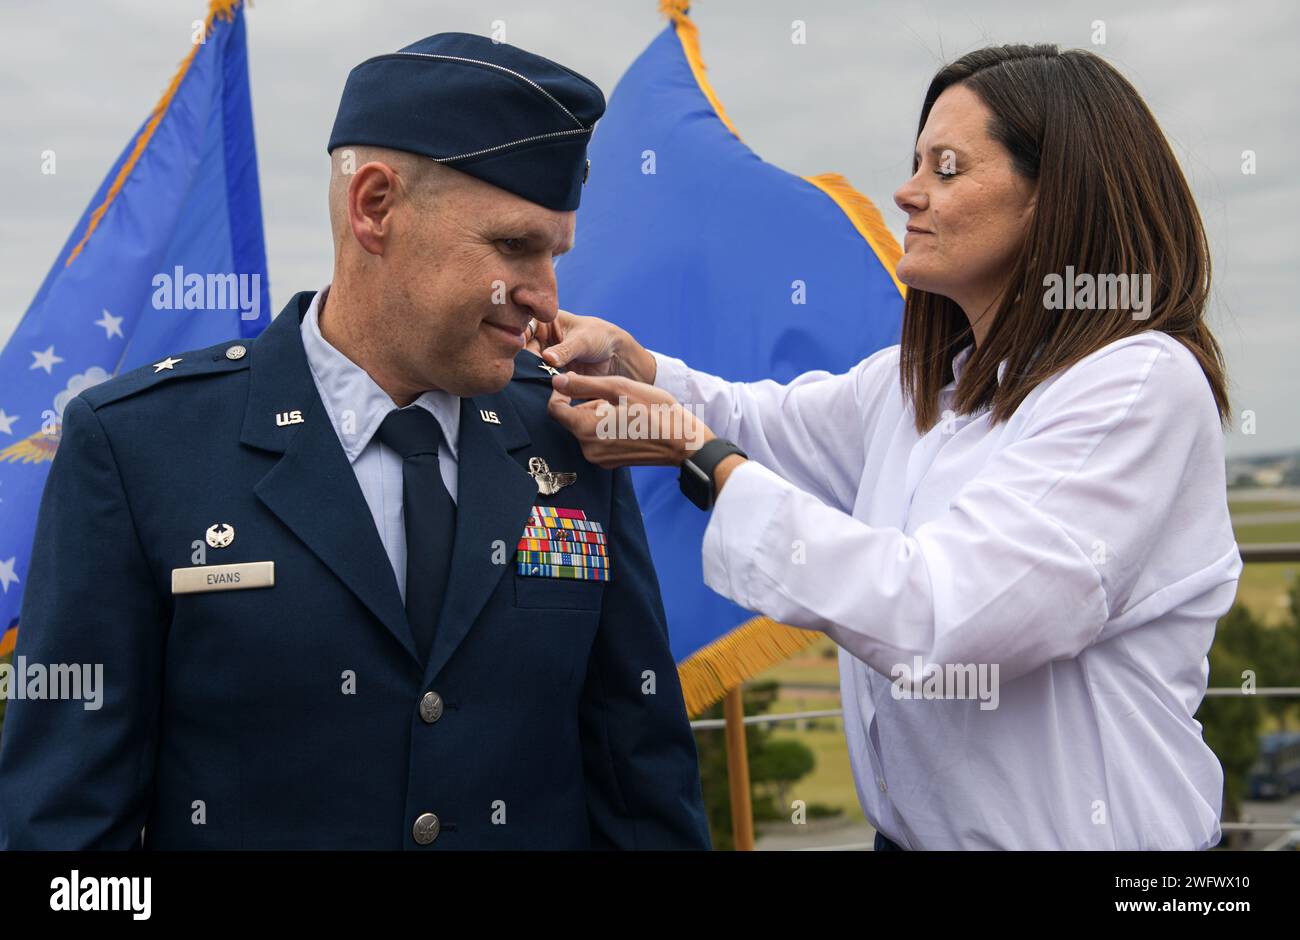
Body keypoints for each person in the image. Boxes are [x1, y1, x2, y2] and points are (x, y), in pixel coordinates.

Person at [0, 32, 709, 851]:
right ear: (374, 206)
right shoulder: (139, 447)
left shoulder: (568, 435)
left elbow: (640, 779)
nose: (547, 299)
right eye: (514, 247)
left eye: (555, 253)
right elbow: (67, 829)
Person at [537, 44, 1242, 850]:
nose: (907, 192)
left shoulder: (1138, 384)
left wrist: (700, 458)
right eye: (916, 165)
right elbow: (763, 422)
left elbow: (946, 619)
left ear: (1054, 199)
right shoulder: (924, 384)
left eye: (947, 168)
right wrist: (636, 363)